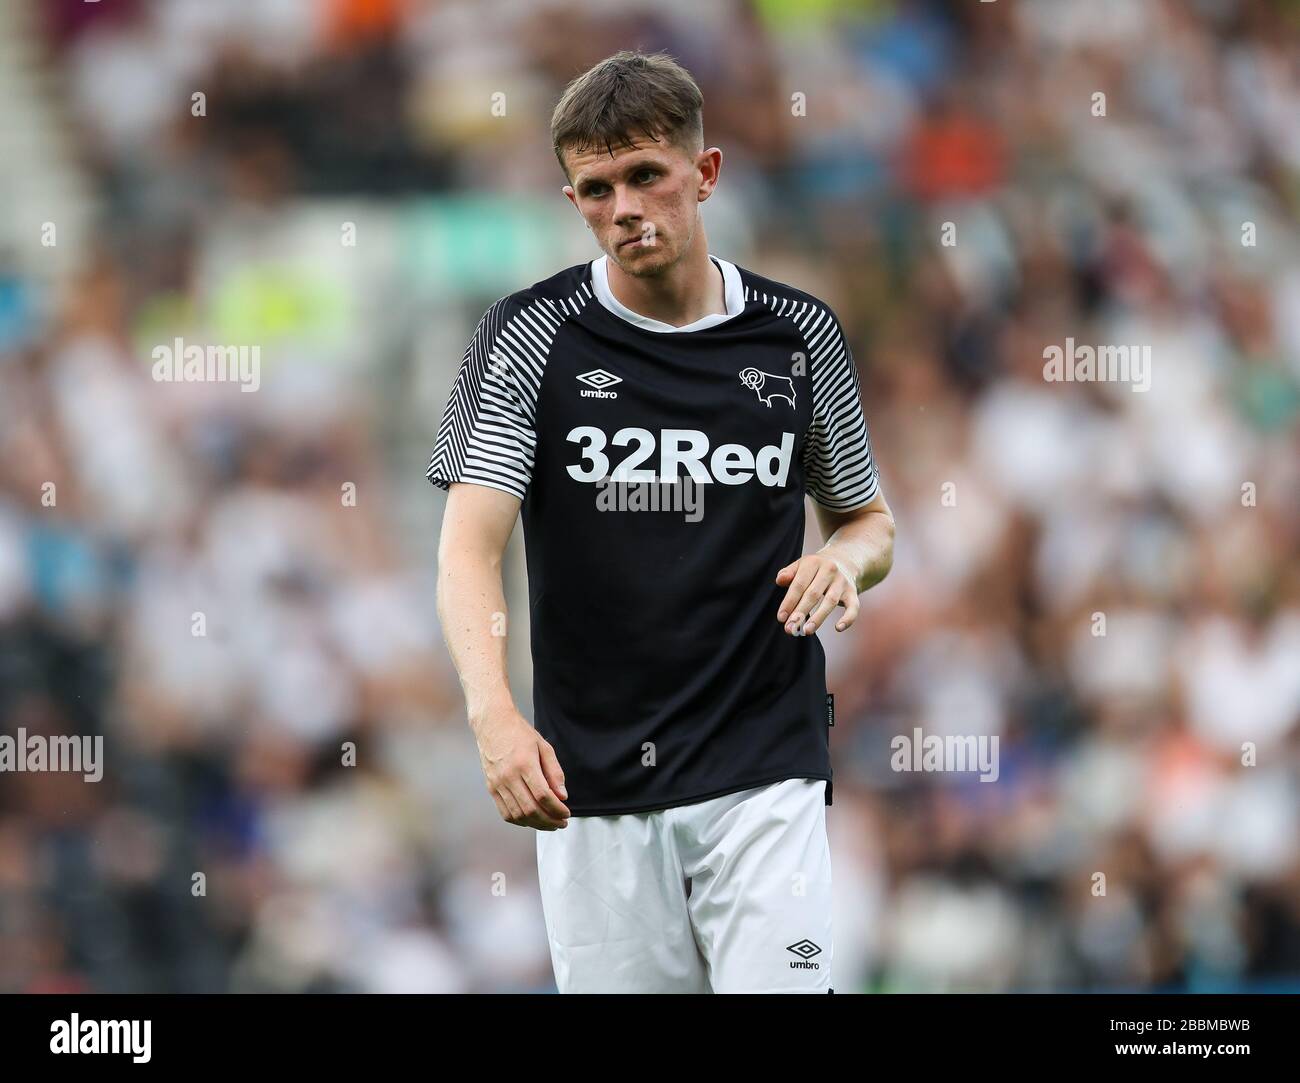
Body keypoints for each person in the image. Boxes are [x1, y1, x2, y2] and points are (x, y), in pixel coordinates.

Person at [427, 50, 895, 993]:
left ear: (705, 173)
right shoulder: (526, 337)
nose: (624, 208)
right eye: (595, 189)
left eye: (646, 175)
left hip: (766, 767)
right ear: (573, 200)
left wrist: (845, 563)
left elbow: (868, 519)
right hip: (593, 784)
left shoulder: (798, 336)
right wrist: (493, 715)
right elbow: (468, 550)